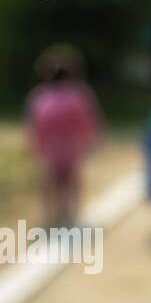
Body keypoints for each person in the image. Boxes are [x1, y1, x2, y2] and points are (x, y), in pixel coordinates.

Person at [25, 45, 102, 227]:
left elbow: (34, 124)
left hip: (50, 147)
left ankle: (52, 215)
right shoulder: (80, 94)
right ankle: (70, 213)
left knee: (51, 181)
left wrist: (32, 144)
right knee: (71, 180)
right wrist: (93, 139)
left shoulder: (40, 96)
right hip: (73, 145)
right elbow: (90, 120)